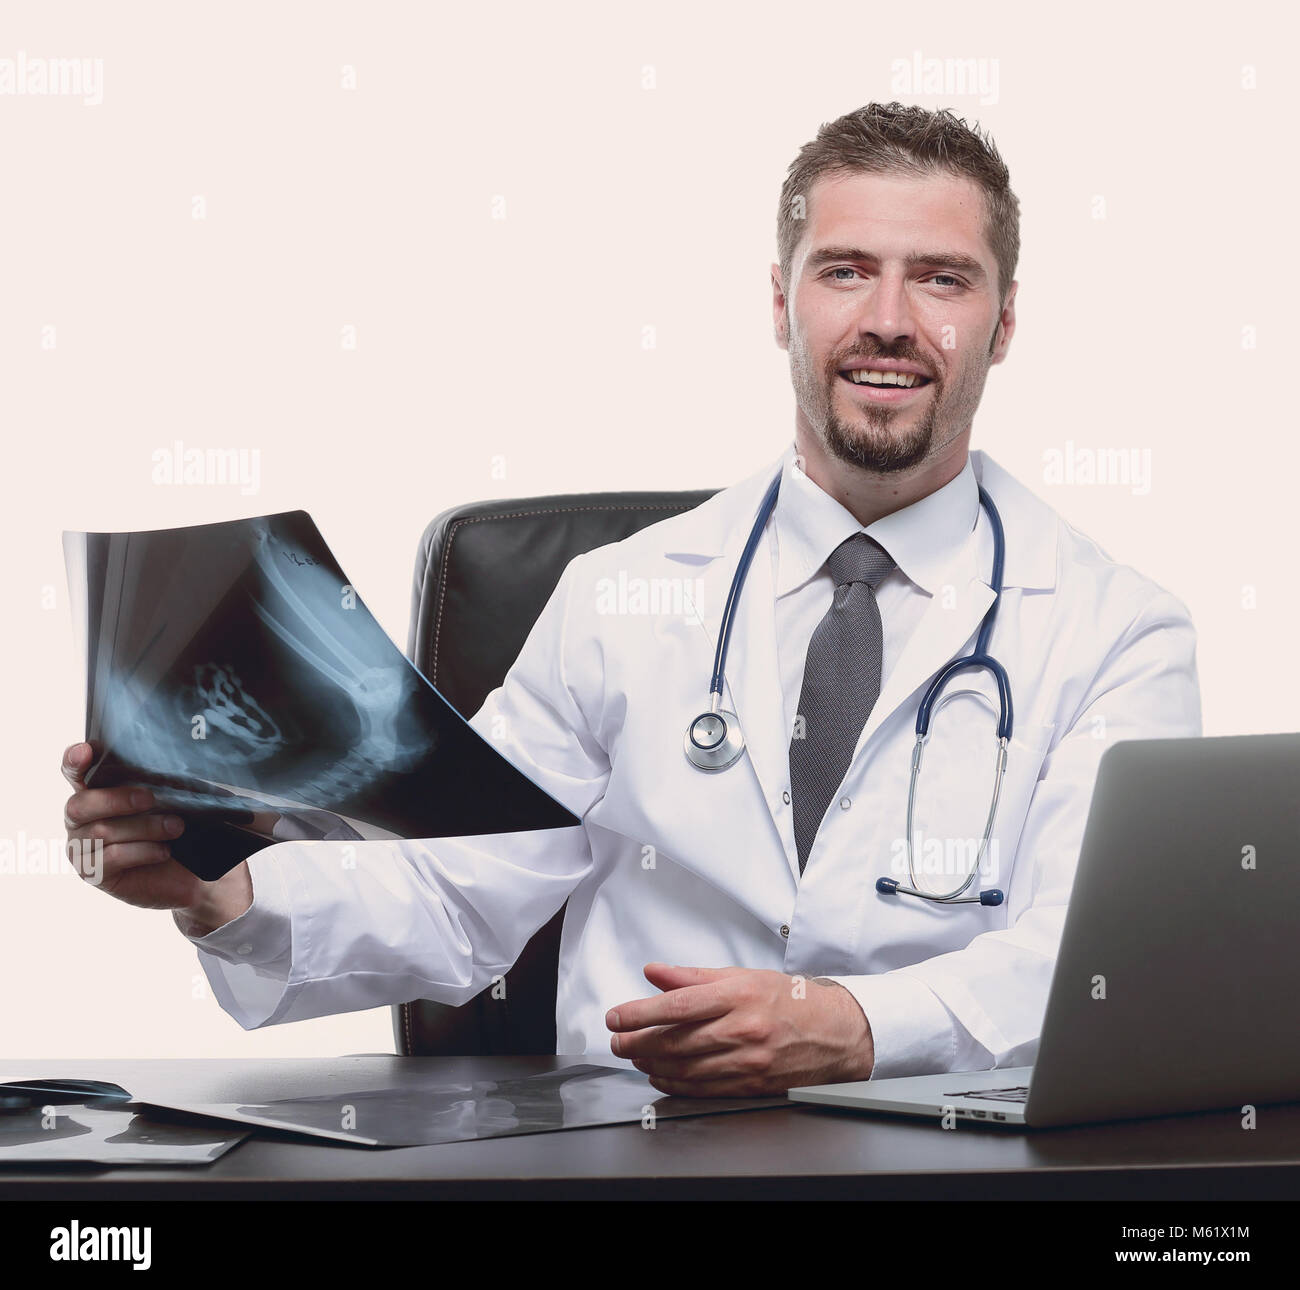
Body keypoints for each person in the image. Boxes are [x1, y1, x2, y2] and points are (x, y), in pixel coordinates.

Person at [60, 102, 1201, 1097]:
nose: (889, 319)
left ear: (1003, 324)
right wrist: (217, 888)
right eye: (844, 270)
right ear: (780, 302)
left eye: (941, 278)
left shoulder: (1113, 633)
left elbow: (1095, 964)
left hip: (946, 1160)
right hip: (637, 1148)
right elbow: (461, 895)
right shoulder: (621, 597)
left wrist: (856, 1028)